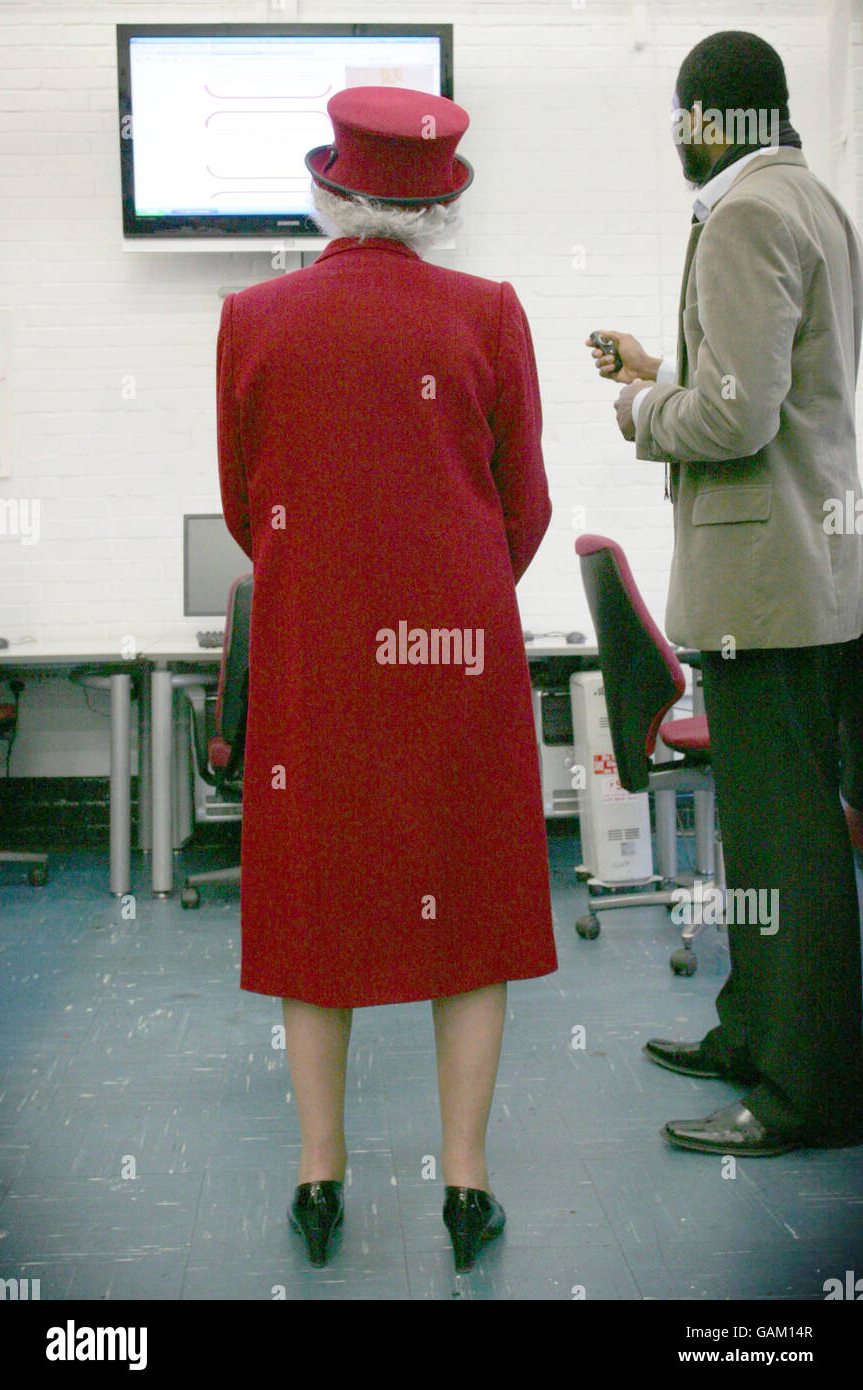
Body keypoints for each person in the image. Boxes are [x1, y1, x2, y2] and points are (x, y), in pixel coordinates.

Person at [217, 85, 558, 1268]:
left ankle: (321, 1174)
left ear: (328, 188)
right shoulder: (490, 314)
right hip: (458, 662)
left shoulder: (254, 317)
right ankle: (466, 1186)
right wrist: (449, 593)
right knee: (470, 907)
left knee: (319, 905)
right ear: (444, 200)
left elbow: (243, 504)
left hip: (317, 662)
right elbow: (528, 509)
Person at [588, 30, 863, 1155]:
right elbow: (782, 391)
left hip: (765, 580)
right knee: (771, 835)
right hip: (813, 572)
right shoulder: (816, 202)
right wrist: (670, 368)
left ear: (710, 117)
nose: (680, 141)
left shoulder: (742, 215)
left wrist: (644, 411)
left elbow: (738, 421)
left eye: (682, 120)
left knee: (783, 845)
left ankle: (805, 1093)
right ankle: (755, 1032)